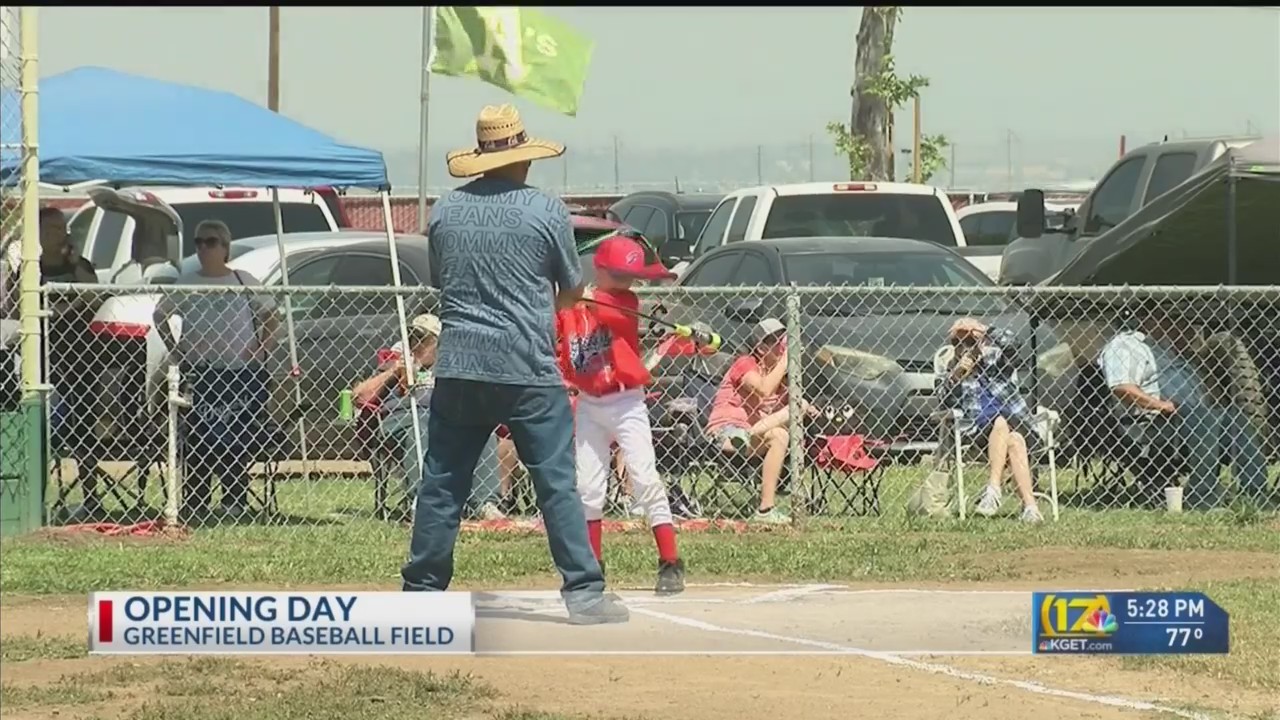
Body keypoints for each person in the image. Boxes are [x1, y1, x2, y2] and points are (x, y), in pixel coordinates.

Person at [401, 104, 627, 625]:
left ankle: (422, 591)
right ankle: (585, 594)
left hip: (459, 364)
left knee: (442, 481)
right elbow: (570, 291)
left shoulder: (446, 211)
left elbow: (442, 281)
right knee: (554, 481)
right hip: (526, 367)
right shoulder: (545, 211)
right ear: (525, 158)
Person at [555, 233, 686, 595]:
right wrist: (557, 292)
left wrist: (578, 293)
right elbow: (556, 319)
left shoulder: (623, 302)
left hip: (627, 403)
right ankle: (591, 567)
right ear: (599, 269)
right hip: (589, 403)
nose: (627, 282)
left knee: (645, 478)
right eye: (618, 274)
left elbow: (608, 310)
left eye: (629, 277)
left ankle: (671, 561)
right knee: (588, 488)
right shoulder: (572, 306)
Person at [154, 219, 278, 520]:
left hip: (240, 374)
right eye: (198, 242)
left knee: (235, 438)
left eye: (210, 242)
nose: (203, 248)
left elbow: (271, 315)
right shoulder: (187, 282)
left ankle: (234, 500)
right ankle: (196, 500)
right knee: (197, 436)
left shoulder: (242, 280)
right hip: (201, 372)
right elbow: (160, 314)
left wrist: (261, 349)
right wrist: (176, 349)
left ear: (225, 247)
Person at [352, 313, 505, 520]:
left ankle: (485, 504)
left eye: (424, 339)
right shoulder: (396, 361)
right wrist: (396, 371)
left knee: (480, 427)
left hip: (445, 418)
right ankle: (425, 504)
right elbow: (360, 396)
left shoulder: (450, 365)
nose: (416, 343)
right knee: (423, 425)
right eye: (413, 337)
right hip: (400, 418)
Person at [1098, 301, 1223, 508]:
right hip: (1151, 421)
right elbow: (1122, 387)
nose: (1177, 324)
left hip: (1190, 415)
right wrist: (1159, 405)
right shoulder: (1125, 345)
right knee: (1205, 419)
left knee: (1238, 419)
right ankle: (1202, 499)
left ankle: (1255, 493)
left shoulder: (1165, 348)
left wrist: (1189, 351)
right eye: (1169, 318)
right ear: (1146, 319)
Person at [935, 318, 1043, 523]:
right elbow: (941, 400)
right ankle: (1030, 508)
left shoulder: (996, 363)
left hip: (1016, 420)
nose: (964, 348)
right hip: (977, 434)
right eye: (957, 343)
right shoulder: (950, 369)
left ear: (981, 343)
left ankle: (993, 492)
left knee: (1006, 424)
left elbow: (1014, 345)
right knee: (1014, 439)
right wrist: (956, 376)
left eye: (969, 342)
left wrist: (985, 330)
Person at [38, 207, 103, 516]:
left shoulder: (80, 266)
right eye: (50, 228)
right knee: (40, 428)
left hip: (80, 360)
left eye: (61, 228)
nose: (58, 234)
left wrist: (75, 263)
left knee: (84, 429)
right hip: (40, 359)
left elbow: (94, 299)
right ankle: (36, 497)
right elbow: (17, 305)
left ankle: (91, 497)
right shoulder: (31, 269)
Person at [704, 318, 795, 524]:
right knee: (780, 433)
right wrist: (785, 360)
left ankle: (752, 433)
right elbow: (763, 389)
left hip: (751, 438)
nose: (782, 346)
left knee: (796, 410)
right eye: (775, 342)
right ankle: (765, 510)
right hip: (725, 433)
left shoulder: (781, 381)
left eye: (784, 341)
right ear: (761, 348)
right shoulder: (745, 363)